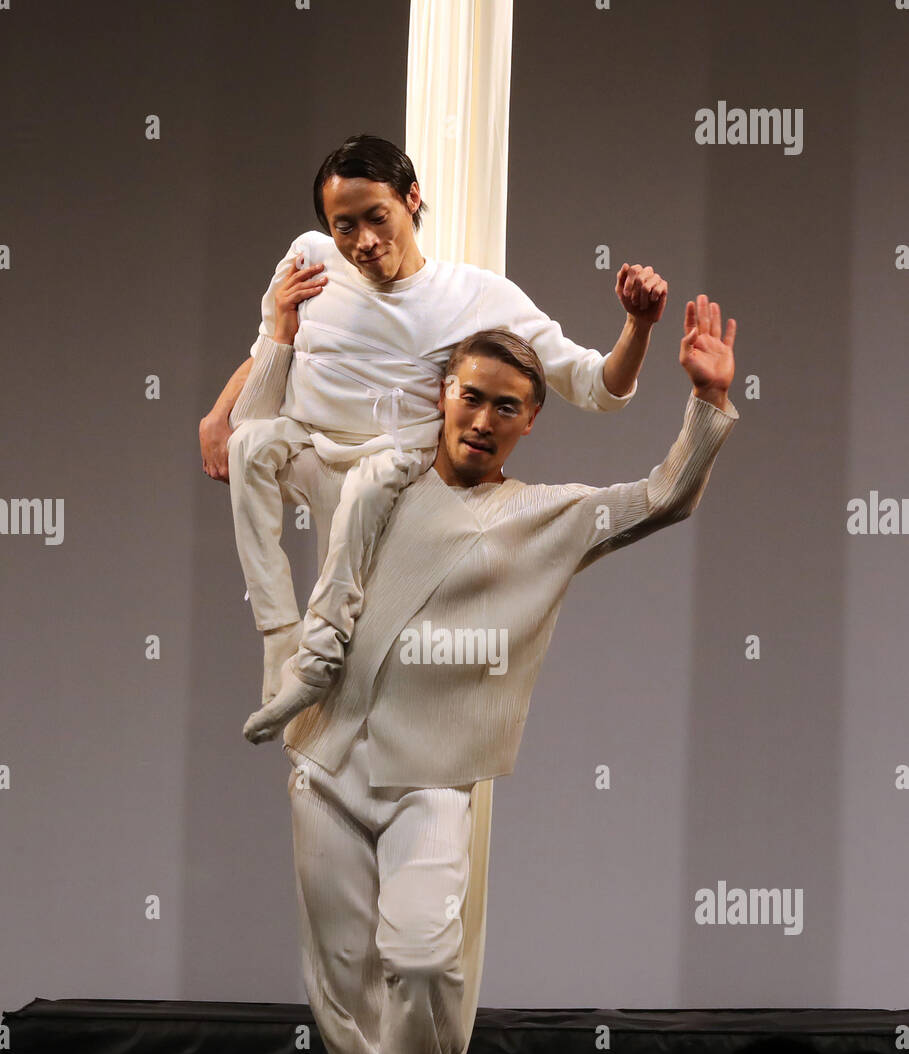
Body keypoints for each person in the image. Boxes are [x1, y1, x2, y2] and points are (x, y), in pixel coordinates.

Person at [241, 298, 738, 1054]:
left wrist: (706, 403)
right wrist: (270, 338)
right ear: (442, 395)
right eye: (470, 397)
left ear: (529, 419)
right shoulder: (375, 479)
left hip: (431, 773)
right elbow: (255, 445)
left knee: (423, 959)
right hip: (326, 760)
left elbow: (662, 495)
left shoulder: (544, 517)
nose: (482, 419)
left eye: (507, 406)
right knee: (344, 983)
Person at [197, 134, 667, 715]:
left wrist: (638, 326)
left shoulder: (475, 294)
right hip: (308, 452)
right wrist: (223, 411)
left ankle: (331, 667)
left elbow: (598, 388)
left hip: (389, 473)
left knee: (368, 667)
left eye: (378, 218)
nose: (365, 242)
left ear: (411, 198)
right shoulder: (310, 258)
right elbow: (267, 354)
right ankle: (277, 638)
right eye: (346, 227)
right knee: (249, 443)